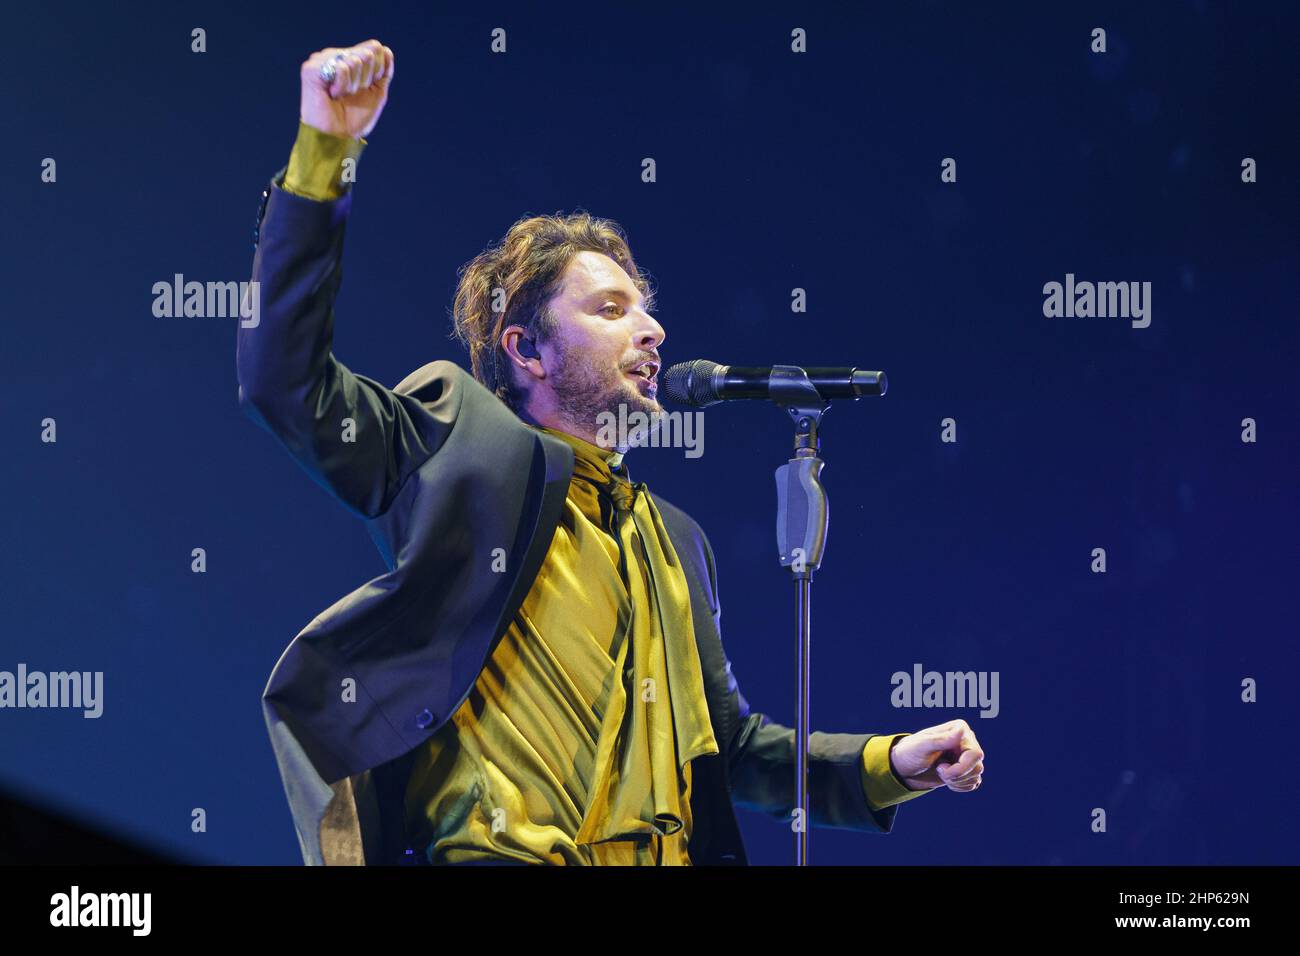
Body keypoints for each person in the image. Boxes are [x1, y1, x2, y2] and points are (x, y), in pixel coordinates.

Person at [237, 39, 986, 866]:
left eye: (648, 309)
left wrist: (887, 764)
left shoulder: (676, 542)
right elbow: (287, 383)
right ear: (528, 350)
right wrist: (325, 153)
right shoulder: (458, 439)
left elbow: (732, 750)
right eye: (610, 307)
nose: (652, 328)